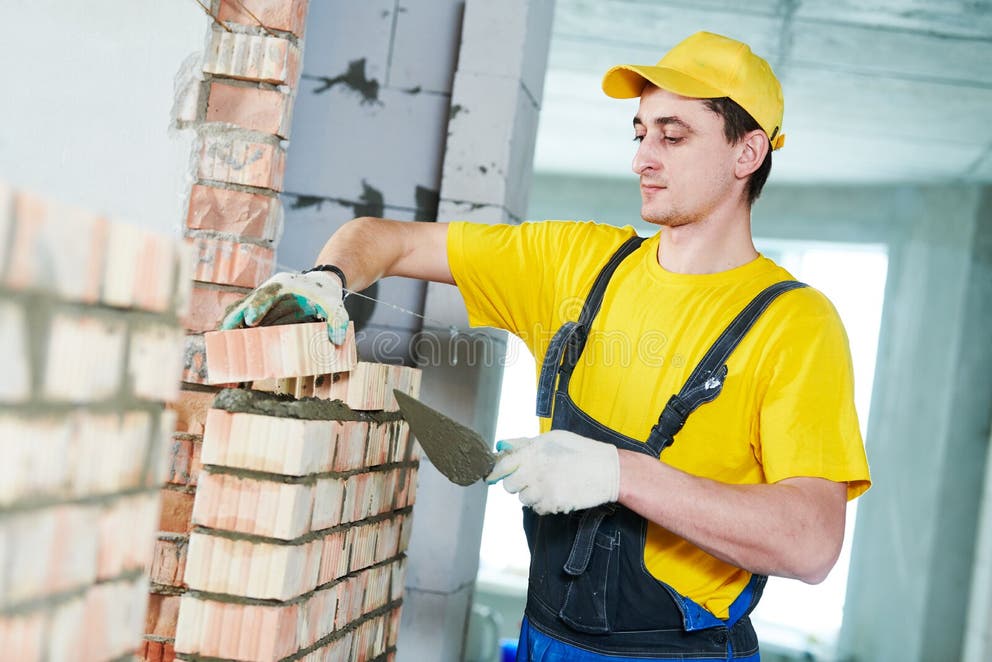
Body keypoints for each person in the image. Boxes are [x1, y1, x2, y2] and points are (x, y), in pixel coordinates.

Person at [223, 31, 871, 662]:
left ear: (747, 152)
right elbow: (385, 237)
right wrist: (326, 280)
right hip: (544, 634)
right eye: (641, 133)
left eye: (673, 136)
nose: (643, 157)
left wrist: (619, 474)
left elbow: (812, 543)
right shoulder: (577, 262)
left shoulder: (795, 325)